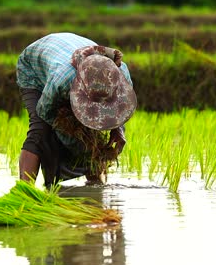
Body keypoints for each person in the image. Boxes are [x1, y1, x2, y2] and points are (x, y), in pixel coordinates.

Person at [16, 33, 137, 187]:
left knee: (93, 133)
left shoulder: (120, 75)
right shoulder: (63, 79)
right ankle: (25, 190)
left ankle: (95, 185)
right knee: (40, 130)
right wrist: (73, 140)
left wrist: (118, 129)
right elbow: (44, 111)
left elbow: (120, 109)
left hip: (62, 53)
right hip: (34, 69)